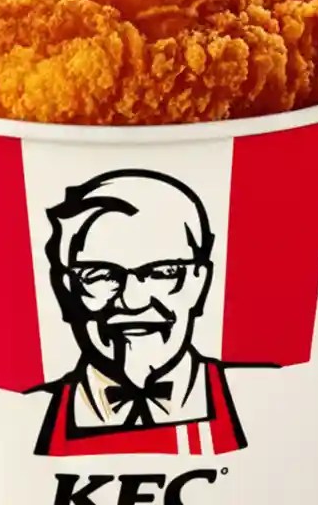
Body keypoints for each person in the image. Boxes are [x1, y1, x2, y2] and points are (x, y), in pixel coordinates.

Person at [31, 169, 249, 457]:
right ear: (66, 290)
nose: (132, 302)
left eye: (162, 272)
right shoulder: (22, 414)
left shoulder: (264, 397)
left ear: (200, 282)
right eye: (100, 275)